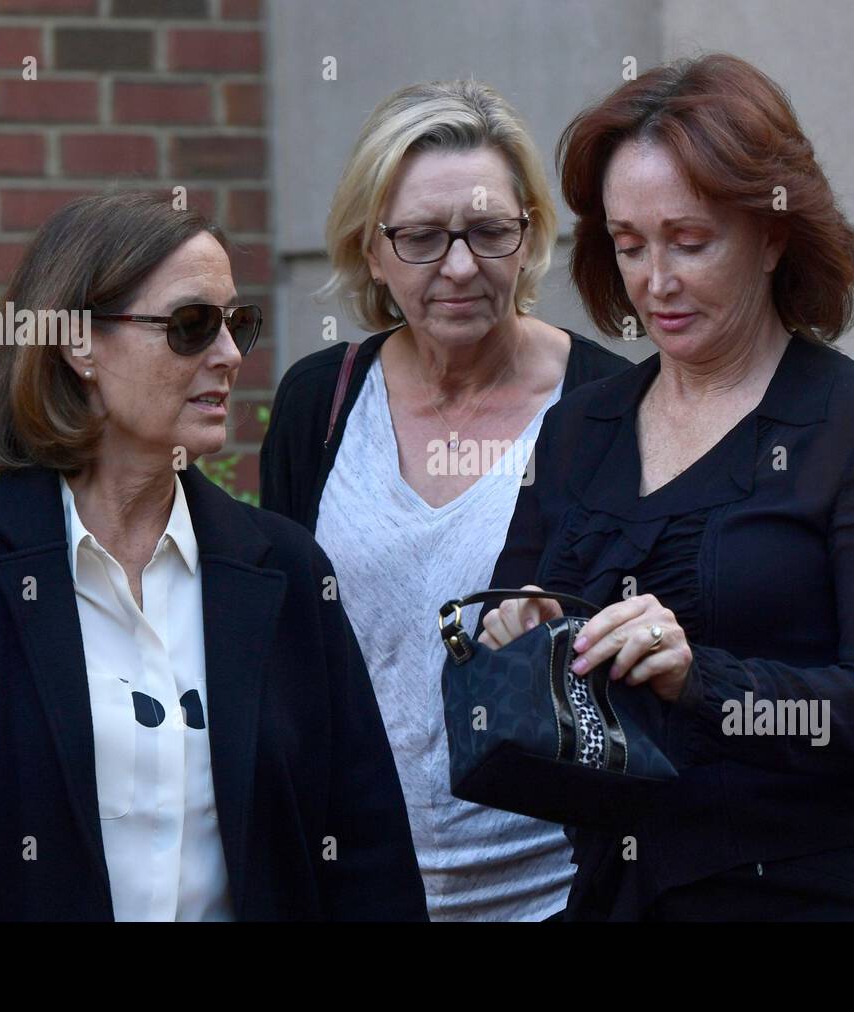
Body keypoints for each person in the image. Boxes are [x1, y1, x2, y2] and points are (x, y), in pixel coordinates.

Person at [0, 192, 427, 922]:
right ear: (80, 344)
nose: (230, 356)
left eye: (238, 324)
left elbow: (368, 862)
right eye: (190, 326)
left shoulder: (286, 570)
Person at [480, 54, 854, 921]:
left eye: (690, 242)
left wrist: (699, 681)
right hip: (621, 897)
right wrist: (516, 634)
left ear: (773, 235)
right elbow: (519, 633)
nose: (656, 281)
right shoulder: (581, 429)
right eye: (629, 245)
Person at [259, 79, 628, 920]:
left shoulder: (610, 406)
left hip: (558, 895)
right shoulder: (320, 402)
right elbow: (280, 651)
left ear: (529, 235)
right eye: (422, 237)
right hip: (357, 888)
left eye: (489, 231)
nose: (459, 267)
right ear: (372, 249)